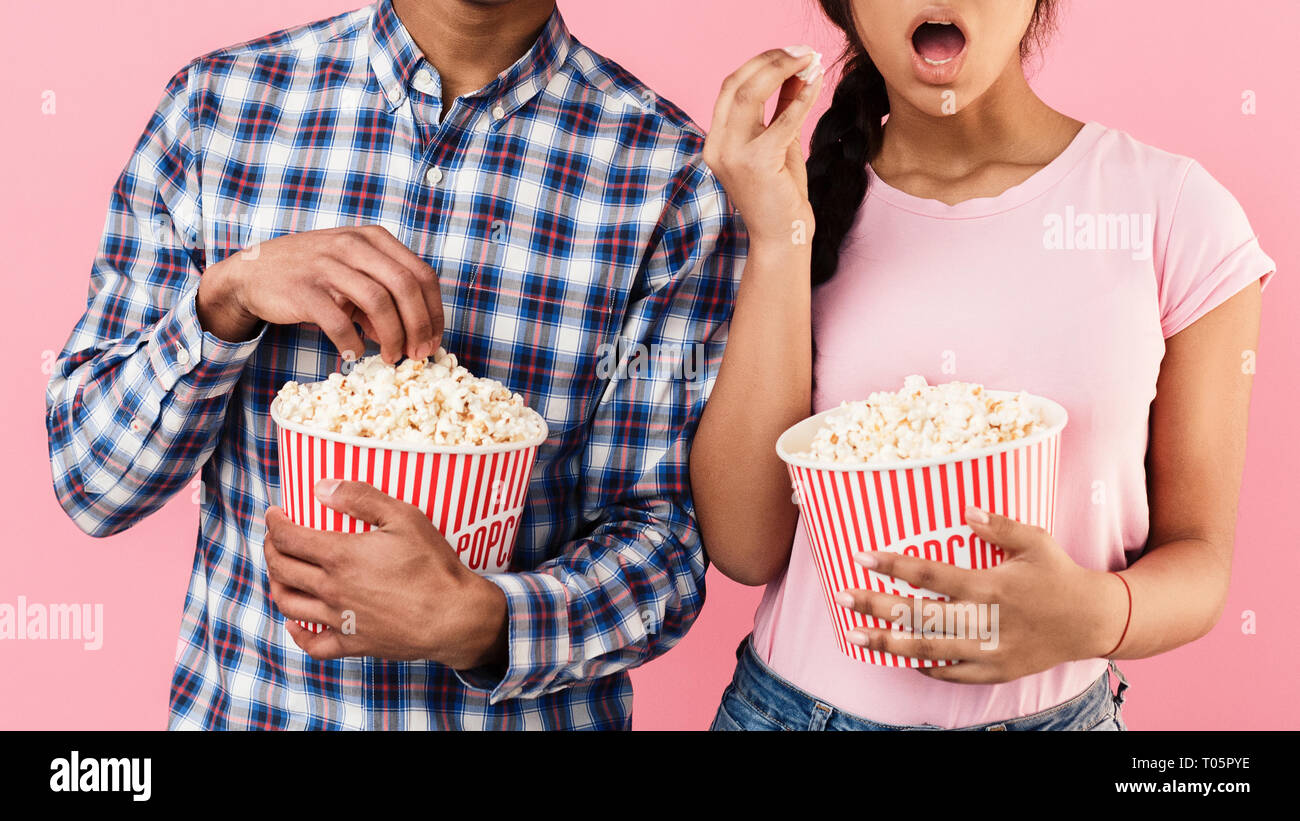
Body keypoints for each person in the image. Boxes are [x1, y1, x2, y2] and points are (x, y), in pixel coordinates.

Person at [45, 0, 743, 730]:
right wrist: (227, 297)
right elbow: (92, 483)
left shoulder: (670, 180)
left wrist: (488, 621)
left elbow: (661, 546)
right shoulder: (217, 109)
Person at [694, 0, 1274, 730]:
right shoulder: (790, 206)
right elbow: (745, 546)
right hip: (791, 711)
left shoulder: (1177, 213)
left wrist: (1089, 616)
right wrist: (778, 238)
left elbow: (1201, 564)